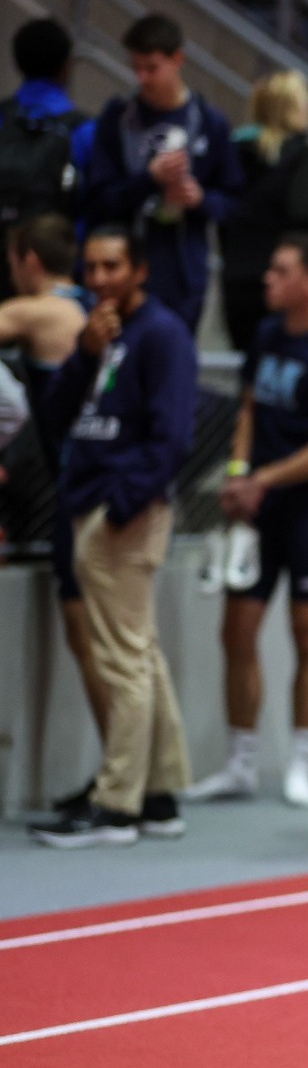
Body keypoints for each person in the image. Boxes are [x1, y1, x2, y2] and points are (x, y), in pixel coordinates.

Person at [29, 223, 196, 847]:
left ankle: (117, 803)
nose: (99, 279)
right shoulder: (103, 335)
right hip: (93, 503)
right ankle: (156, 793)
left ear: (139, 270)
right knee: (140, 654)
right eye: (91, 268)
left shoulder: (163, 335)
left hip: (121, 512)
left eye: (112, 267)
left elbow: (173, 434)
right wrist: (84, 356)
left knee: (122, 661)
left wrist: (122, 506)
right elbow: (59, 415)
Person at [184, 230, 308, 805]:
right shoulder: (265, 336)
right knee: (236, 630)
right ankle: (240, 762)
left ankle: (302, 762)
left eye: (281, 270)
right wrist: (239, 472)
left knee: (306, 631)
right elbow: (249, 410)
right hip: (256, 509)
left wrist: (267, 478)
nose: (268, 278)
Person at [0, 216, 107, 797]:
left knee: (93, 638)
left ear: (30, 263)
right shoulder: (86, 307)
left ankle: (121, 774)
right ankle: (131, 773)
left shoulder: (43, 309)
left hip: (83, 487)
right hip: (91, 481)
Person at [84, 14, 243, 334]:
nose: (142, 78)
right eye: (136, 68)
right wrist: (148, 179)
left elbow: (233, 201)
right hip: (122, 275)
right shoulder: (119, 118)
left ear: (177, 59)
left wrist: (199, 199)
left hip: (183, 275)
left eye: (152, 68)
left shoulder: (209, 122)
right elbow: (99, 198)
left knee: (172, 366)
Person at [217, 71, 308, 351]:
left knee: (246, 371)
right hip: (282, 282)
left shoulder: (233, 148)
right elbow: (301, 220)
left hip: (235, 280)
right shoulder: (301, 155)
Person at [1, 18, 96, 303]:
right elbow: (95, 205)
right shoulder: (84, 130)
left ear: (17, 64)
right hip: (55, 276)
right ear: (66, 67)